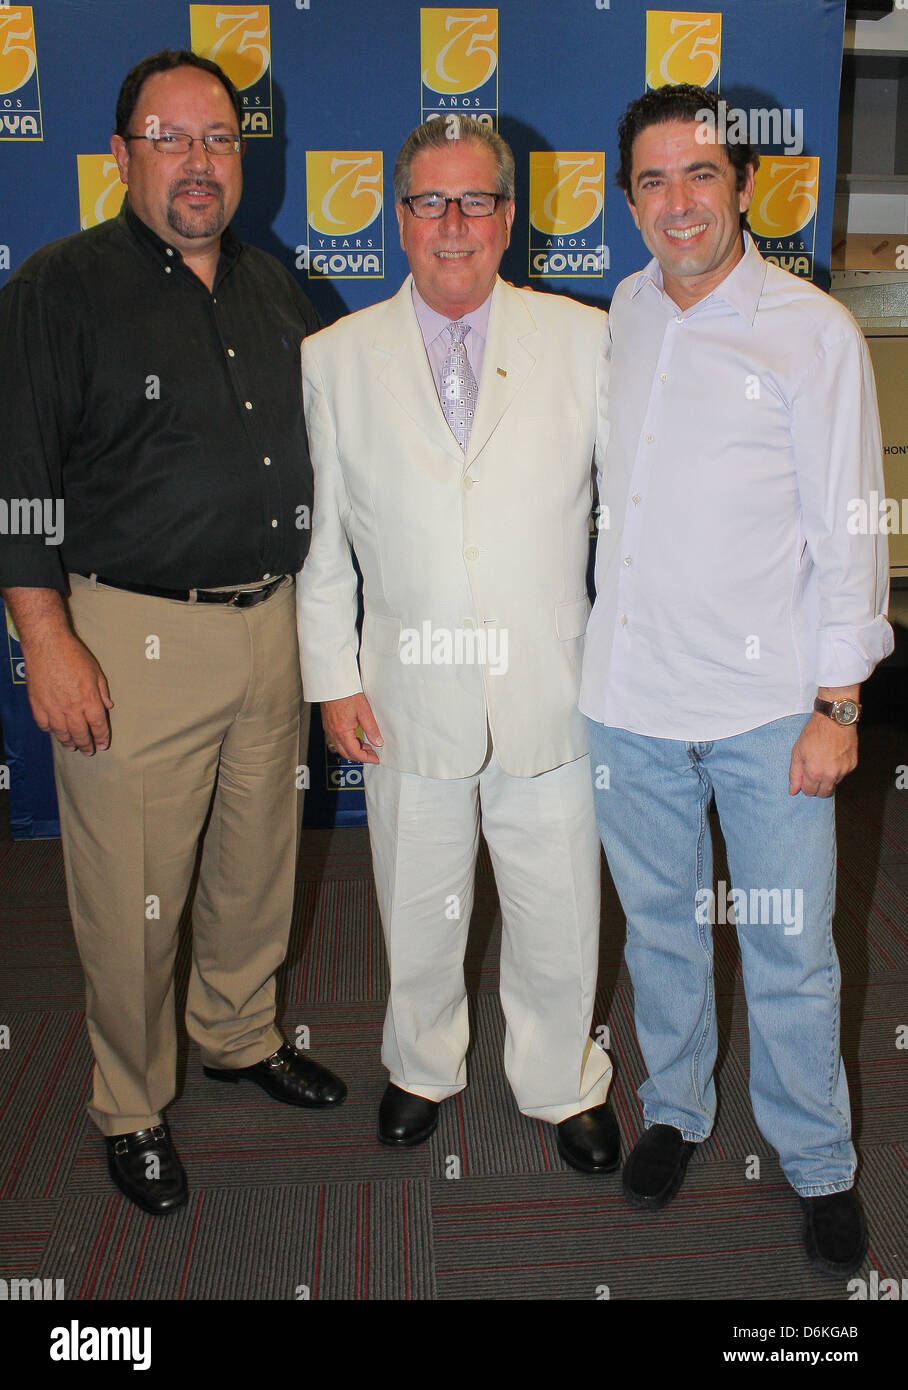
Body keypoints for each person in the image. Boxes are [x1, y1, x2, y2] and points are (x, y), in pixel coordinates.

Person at [0, 49, 346, 1217]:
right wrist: (45, 637)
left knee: (256, 867)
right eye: (172, 137)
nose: (199, 163)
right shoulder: (58, 286)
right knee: (133, 895)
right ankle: (131, 1103)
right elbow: (19, 481)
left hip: (270, 630)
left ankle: (240, 1035)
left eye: (217, 139)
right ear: (122, 155)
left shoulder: (272, 286)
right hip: (127, 638)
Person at [581, 83, 894, 1274]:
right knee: (659, 929)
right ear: (627, 199)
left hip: (771, 713)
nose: (676, 202)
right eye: (652, 180)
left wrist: (836, 702)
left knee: (789, 947)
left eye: (699, 175)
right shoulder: (621, 307)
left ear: (744, 186)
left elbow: (848, 530)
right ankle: (674, 1109)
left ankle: (816, 1163)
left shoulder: (810, 331)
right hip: (629, 701)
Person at [297, 116, 617, 1169]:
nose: (452, 224)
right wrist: (332, 680)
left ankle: (559, 1081)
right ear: (396, 220)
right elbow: (324, 546)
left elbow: (632, 519)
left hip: (551, 688)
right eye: (429, 202)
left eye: (474, 200)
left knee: (557, 907)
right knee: (417, 901)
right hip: (404, 695)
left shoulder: (581, 340)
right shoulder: (333, 359)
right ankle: (420, 1064)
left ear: (509, 217)